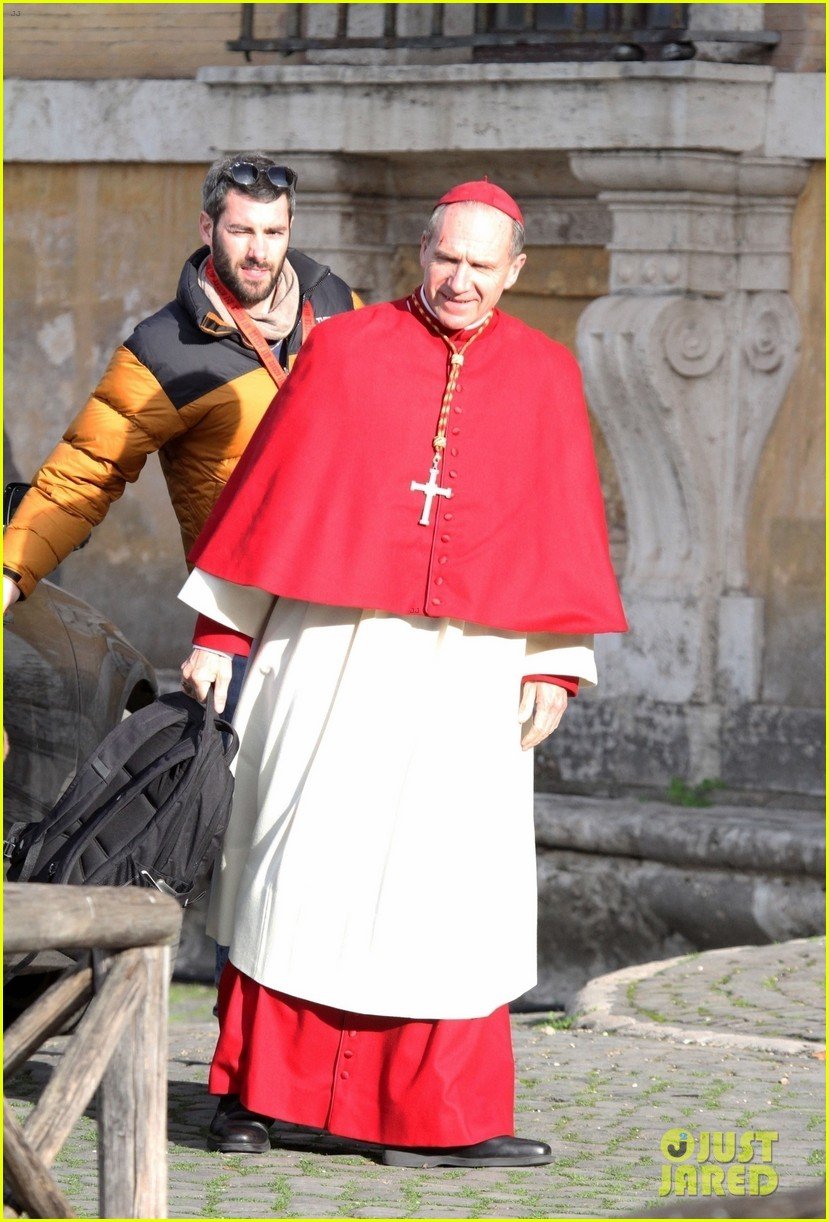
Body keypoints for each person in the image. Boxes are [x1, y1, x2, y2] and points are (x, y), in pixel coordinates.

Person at [179, 180, 628, 1168]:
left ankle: (441, 1117)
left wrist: (553, 664)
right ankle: (258, 1098)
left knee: (444, 891)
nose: (458, 280)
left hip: (468, 673)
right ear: (419, 255)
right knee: (293, 870)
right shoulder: (342, 353)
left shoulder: (547, 376)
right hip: (326, 656)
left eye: (481, 265)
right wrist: (221, 637)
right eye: (445, 259)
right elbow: (271, 498)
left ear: (513, 272)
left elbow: (561, 526)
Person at [2, 149, 360, 719]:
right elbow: (86, 471)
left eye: (274, 231)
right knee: (242, 805)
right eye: (242, 230)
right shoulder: (164, 348)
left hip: (347, 607)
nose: (259, 251)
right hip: (243, 625)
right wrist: (10, 570)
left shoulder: (336, 302)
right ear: (208, 227)